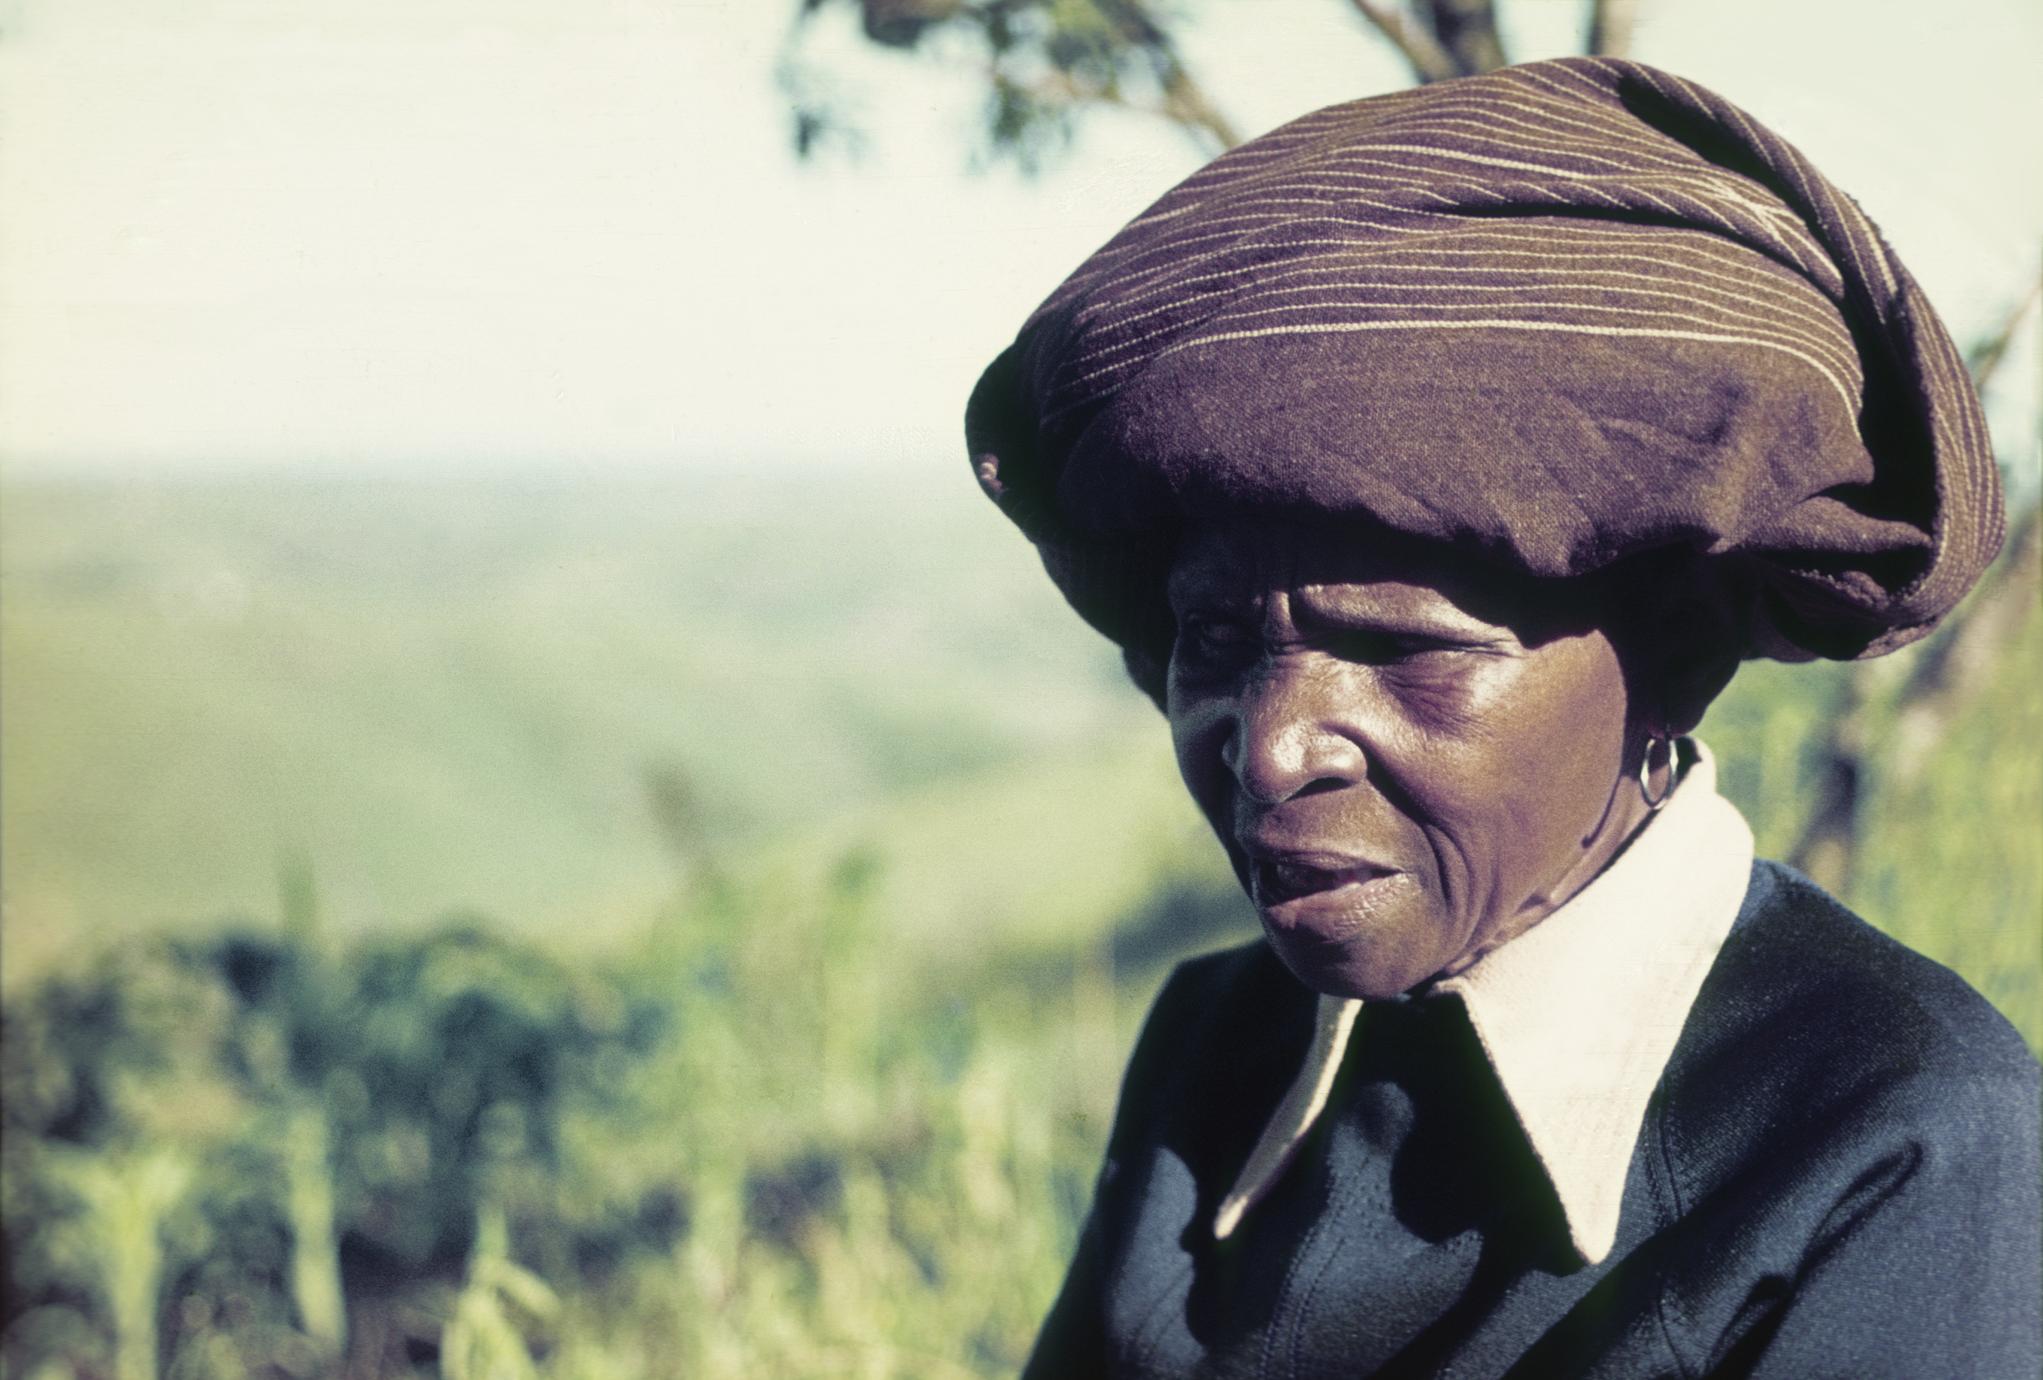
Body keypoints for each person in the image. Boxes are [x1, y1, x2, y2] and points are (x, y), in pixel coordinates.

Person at [963, 57, 2040, 1378]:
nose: (1272, 748)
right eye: (1219, 643)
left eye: (1403, 649)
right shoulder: (1222, 1039)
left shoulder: (1893, 1134)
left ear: (1677, 649)